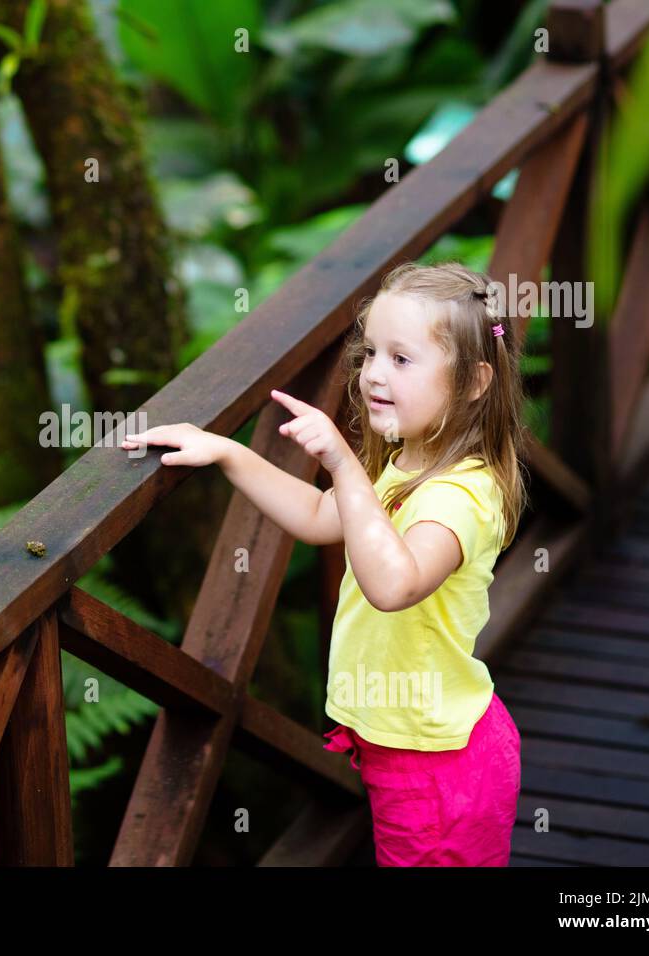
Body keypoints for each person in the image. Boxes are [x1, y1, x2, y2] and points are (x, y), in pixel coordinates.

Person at [121, 261, 527, 866]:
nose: (372, 375)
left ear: (474, 382)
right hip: (410, 749)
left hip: (439, 768)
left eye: (402, 359)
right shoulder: (410, 462)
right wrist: (228, 454)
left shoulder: (461, 496)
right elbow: (318, 514)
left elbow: (394, 583)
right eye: (370, 355)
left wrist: (343, 464)